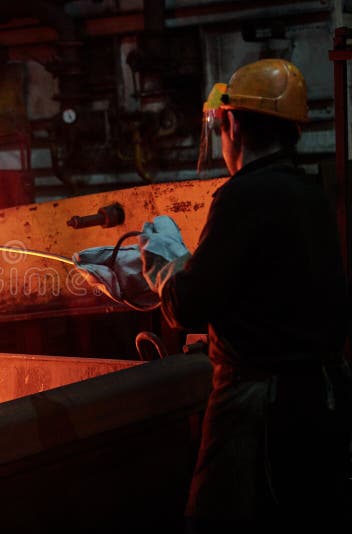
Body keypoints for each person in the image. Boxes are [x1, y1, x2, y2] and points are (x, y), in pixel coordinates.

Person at [140, 58, 352, 532]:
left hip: (259, 409)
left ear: (231, 122)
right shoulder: (311, 194)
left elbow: (186, 307)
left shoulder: (242, 196)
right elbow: (274, 288)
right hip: (323, 397)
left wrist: (164, 263)